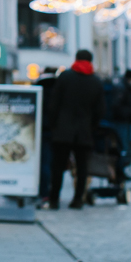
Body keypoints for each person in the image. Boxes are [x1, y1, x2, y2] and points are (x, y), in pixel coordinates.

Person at [47, 50, 107, 209]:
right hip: (84, 131)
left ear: (76, 59)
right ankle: (78, 199)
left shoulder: (65, 77)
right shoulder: (96, 81)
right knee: (82, 168)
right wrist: (92, 126)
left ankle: (54, 200)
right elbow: (100, 110)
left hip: (63, 129)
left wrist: (53, 124)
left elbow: (54, 104)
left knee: (58, 167)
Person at [35, 67, 61, 207]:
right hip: (57, 130)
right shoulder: (59, 87)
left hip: (40, 129)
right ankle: (53, 193)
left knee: (43, 162)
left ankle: (43, 192)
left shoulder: (38, 86)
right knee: (54, 163)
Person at [112, 69, 131, 176]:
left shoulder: (123, 86)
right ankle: (120, 172)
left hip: (123, 120)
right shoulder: (123, 87)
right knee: (123, 146)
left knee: (123, 146)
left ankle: (120, 171)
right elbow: (117, 105)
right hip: (122, 121)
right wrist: (128, 114)